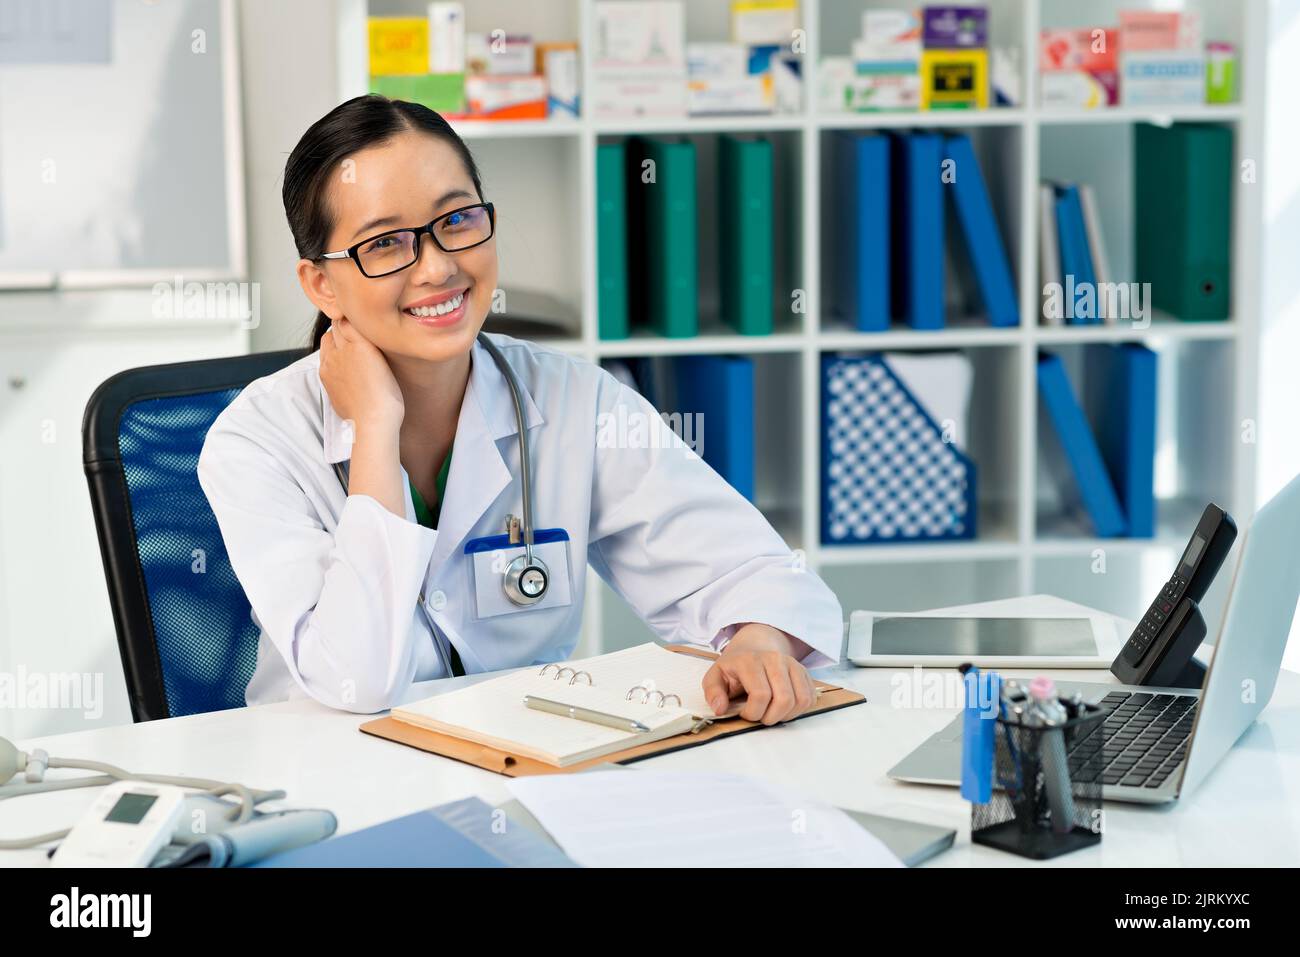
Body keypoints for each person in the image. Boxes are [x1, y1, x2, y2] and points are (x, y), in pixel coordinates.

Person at [197, 95, 844, 724]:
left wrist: (759, 642)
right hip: (333, 771)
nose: (437, 267)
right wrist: (375, 429)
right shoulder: (257, 441)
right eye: (388, 243)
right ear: (322, 283)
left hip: (521, 764)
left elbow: (755, 570)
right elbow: (357, 680)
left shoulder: (572, 401)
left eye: (456, 220)